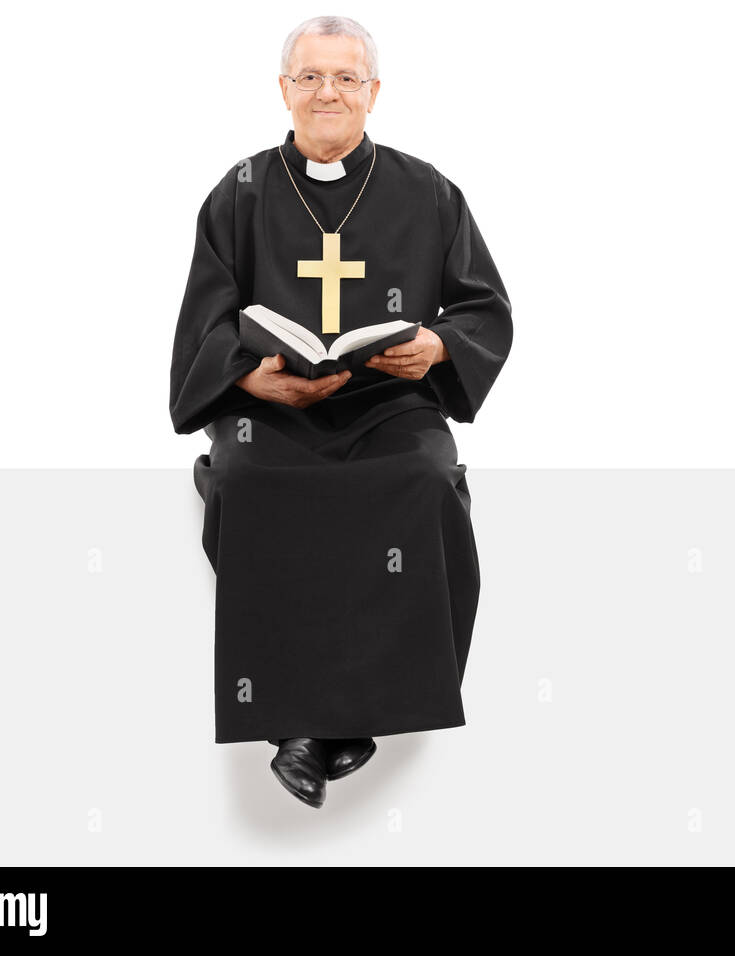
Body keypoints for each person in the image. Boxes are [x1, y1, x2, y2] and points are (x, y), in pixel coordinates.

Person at [168, 15, 512, 809]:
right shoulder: (242, 190)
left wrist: (436, 347)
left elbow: (484, 309)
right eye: (311, 78)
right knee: (252, 481)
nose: (329, 93)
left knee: (424, 481)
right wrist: (249, 379)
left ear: (374, 93)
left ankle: (350, 716)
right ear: (284, 90)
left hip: (389, 402)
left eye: (346, 78)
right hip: (274, 404)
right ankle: (302, 723)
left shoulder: (426, 190)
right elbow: (203, 320)